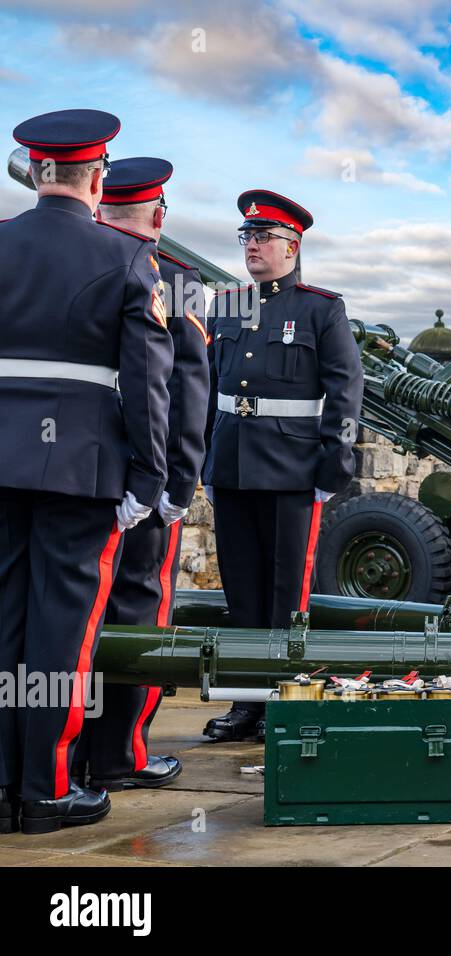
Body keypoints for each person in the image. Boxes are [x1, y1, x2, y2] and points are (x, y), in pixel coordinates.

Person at [0, 110, 173, 834]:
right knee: (61, 636)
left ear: (39, 173)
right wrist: (148, 480)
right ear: (98, 178)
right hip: (81, 470)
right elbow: (147, 384)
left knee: (5, 622)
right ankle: (44, 789)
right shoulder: (127, 260)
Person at [201, 190, 362, 742]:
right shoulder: (225, 307)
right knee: (241, 591)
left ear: (291, 247)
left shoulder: (321, 309)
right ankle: (247, 702)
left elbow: (345, 394)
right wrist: (203, 455)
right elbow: (205, 389)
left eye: (262, 237)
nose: (251, 246)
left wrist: (332, 469)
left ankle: (284, 700)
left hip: (293, 470)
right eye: (246, 237)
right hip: (232, 465)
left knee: (285, 594)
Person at [76, 158, 209, 791]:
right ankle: (119, 754)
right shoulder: (174, 280)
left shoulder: (78, 260)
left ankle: (62, 752)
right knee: (139, 610)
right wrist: (178, 482)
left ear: (101, 204)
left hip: (76, 471)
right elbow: (184, 389)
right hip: (145, 482)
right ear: (158, 216)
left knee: (73, 612)